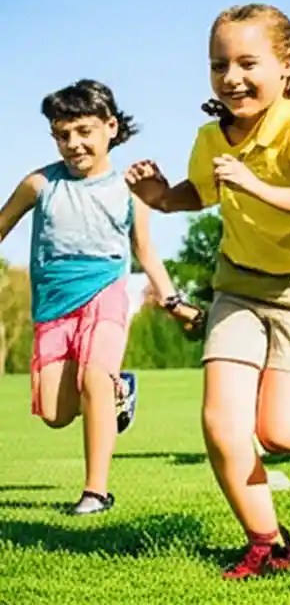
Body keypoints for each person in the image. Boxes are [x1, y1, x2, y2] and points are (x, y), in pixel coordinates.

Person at [125, 3, 290, 579]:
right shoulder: (209, 136)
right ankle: (266, 542)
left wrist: (258, 186)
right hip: (239, 286)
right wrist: (161, 198)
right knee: (222, 423)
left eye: (248, 63)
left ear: (287, 63)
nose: (232, 78)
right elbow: (200, 192)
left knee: (282, 430)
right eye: (219, 65)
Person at [0, 79, 201, 516]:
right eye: (62, 134)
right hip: (53, 306)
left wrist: (174, 303)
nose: (73, 144)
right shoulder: (39, 185)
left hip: (106, 292)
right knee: (55, 412)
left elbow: (146, 252)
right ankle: (121, 391)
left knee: (94, 376)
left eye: (83, 131)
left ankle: (95, 492)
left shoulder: (129, 189)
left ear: (110, 127)